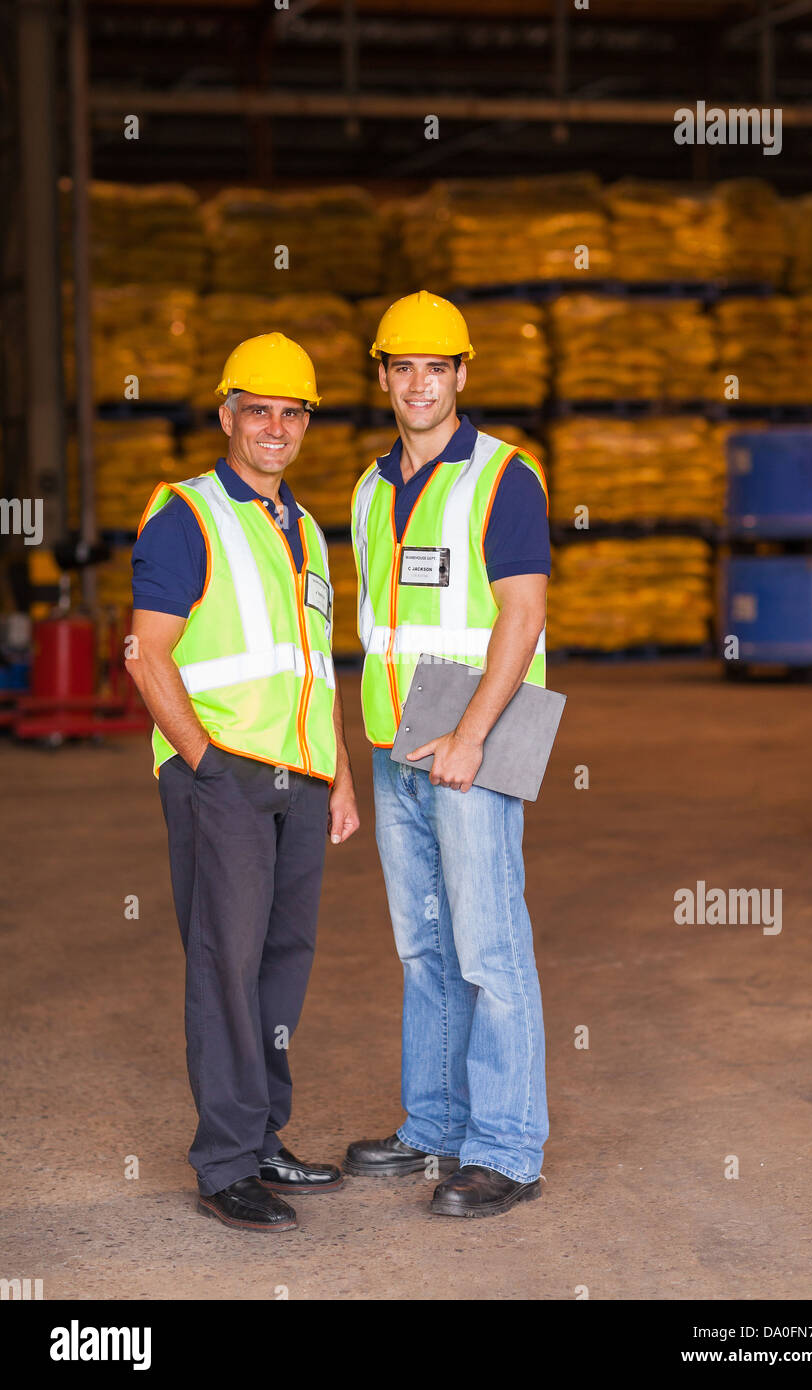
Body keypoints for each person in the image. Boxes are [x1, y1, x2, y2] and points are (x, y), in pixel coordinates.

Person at [127, 332, 359, 1232]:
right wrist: (203, 762)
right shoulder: (186, 514)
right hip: (221, 775)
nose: (273, 426)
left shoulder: (301, 528)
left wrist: (338, 775)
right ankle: (225, 1162)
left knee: (280, 961)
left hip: (300, 782)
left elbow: (315, 667)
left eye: (290, 412)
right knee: (226, 964)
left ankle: (263, 1136)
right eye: (256, 409)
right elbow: (148, 654)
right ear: (227, 416)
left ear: (305, 424)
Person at [345, 291, 550, 1218]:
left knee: (489, 943)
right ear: (383, 375)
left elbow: (523, 611)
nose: (419, 384)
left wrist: (470, 736)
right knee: (423, 942)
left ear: (463, 375)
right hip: (399, 742)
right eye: (403, 367)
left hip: (477, 736)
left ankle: (506, 1148)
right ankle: (434, 1125)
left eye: (438, 367)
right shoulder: (369, 487)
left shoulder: (505, 476)